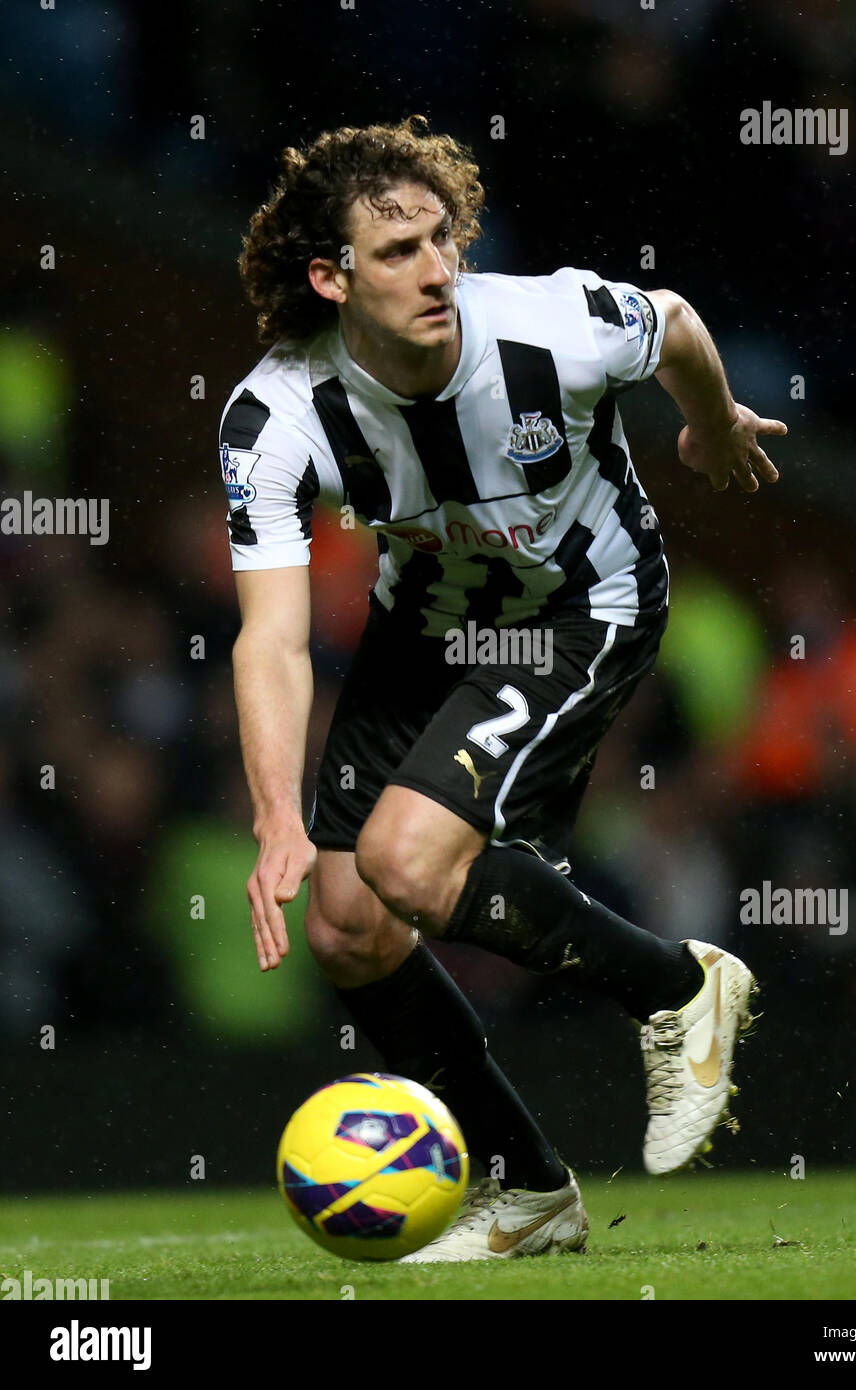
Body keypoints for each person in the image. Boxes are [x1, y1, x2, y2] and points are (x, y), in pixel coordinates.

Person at [220, 116, 784, 1262]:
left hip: (584, 605)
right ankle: (528, 1190)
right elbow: (271, 637)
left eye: (441, 238)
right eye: (396, 252)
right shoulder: (274, 415)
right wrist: (276, 812)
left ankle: (678, 988)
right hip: (428, 619)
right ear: (330, 277)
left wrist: (712, 422)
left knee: (408, 863)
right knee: (345, 926)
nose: (436, 270)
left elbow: (671, 321)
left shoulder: (544, 327)